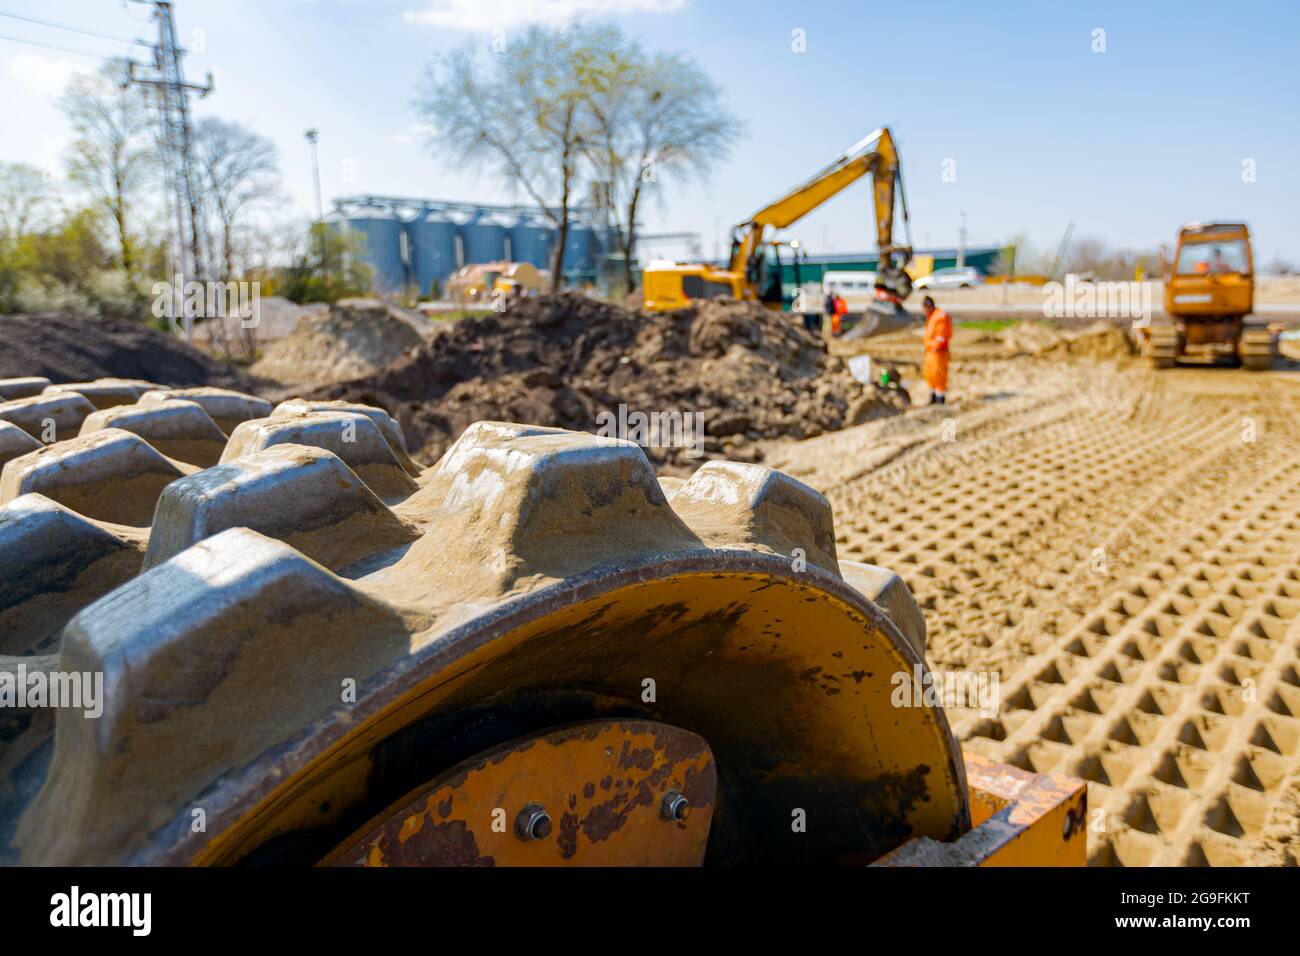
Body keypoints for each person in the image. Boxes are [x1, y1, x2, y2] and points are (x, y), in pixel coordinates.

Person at [921, 295, 952, 404]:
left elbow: (941, 337)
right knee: (930, 375)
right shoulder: (932, 317)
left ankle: (940, 400)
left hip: (938, 353)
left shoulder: (940, 316)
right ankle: (933, 398)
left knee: (939, 376)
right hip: (930, 352)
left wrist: (934, 347)